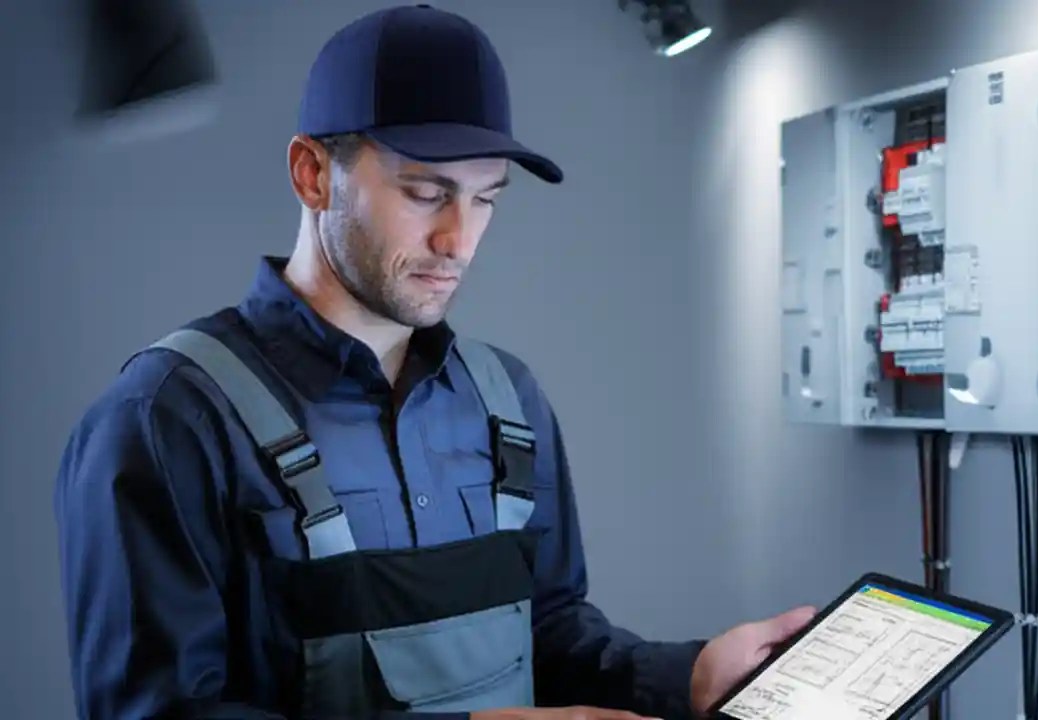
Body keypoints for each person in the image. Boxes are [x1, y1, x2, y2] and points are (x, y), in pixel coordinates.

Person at [53, 5, 815, 719]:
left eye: (487, 199)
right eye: (426, 192)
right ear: (313, 174)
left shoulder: (506, 400)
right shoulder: (164, 421)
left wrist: (688, 675)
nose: (460, 240)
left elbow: (548, 629)